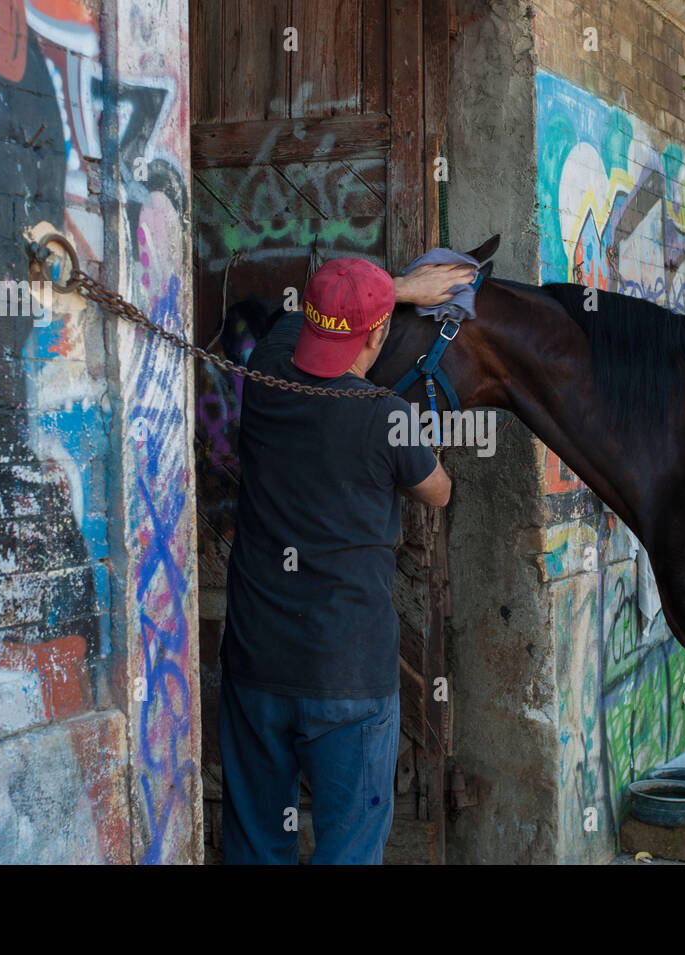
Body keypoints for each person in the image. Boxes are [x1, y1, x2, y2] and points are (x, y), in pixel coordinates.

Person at [219, 256, 475, 864]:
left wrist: (399, 289)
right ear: (379, 334)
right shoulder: (386, 418)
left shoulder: (265, 371)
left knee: (257, 844)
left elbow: (288, 318)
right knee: (349, 849)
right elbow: (439, 490)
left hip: (258, 662)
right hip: (347, 672)